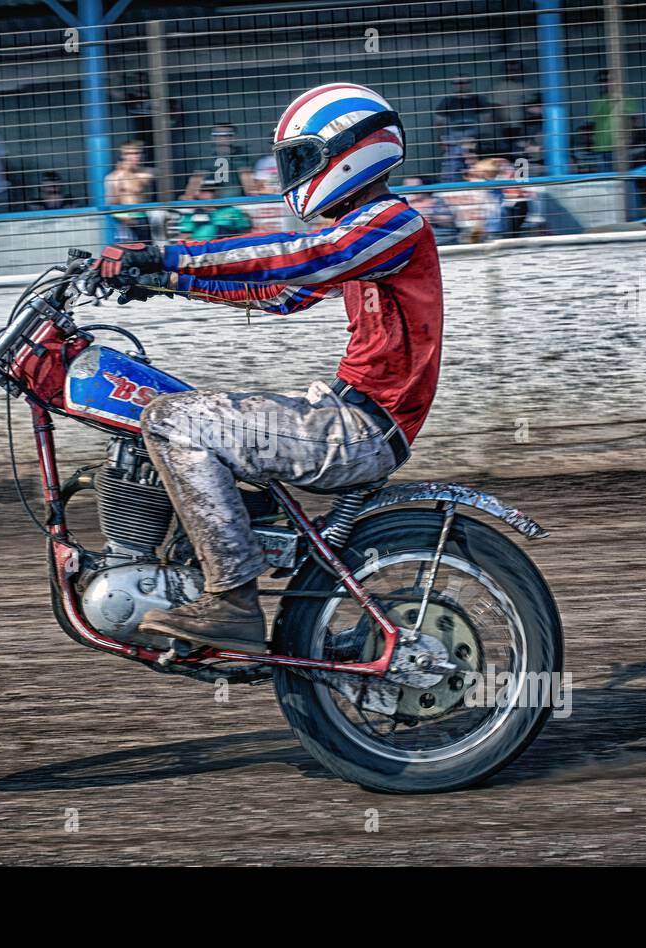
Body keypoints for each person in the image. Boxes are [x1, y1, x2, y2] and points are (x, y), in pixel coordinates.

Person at [92, 83, 442, 652]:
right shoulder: (361, 234)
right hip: (344, 415)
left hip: (362, 429)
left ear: (350, 152)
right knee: (180, 414)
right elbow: (281, 291)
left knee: (171, 420)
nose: (295, 174)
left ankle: (231, 600)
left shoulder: (394, 226)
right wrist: (167, 281)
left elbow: (303, 257)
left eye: (304, 158)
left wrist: (166, 253)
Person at [434, 75, 493, 178]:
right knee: (452, 168)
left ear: (469, 84)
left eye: (464, 82)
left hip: (473, 138)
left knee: (474, 166)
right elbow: (439, 122)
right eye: (457, 83)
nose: (460, 86)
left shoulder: (478, 99)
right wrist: (440, 139)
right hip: (453, 140)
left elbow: (487, 120)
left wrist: (482, 139)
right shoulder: (448, 101)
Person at [586, 70, 638, 170]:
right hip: (601, 148)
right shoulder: (596, 102)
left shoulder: (627, 99)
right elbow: (592, 125)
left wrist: (629, 140)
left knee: (626, 179)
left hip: (621, 148)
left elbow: (634, 122)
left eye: (607, 80)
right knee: (605, 180)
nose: (604, 83)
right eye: (601, 81)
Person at [104, 140, 155, 241]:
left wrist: (126, 171)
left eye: (137, 153)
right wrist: (126, 220)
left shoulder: (147, 173)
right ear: (123, 156)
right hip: (125, 221)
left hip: (144, 218)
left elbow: (139, 186)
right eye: (130, 154)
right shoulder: (113, 177)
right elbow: (111, 203)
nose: (135, 157)